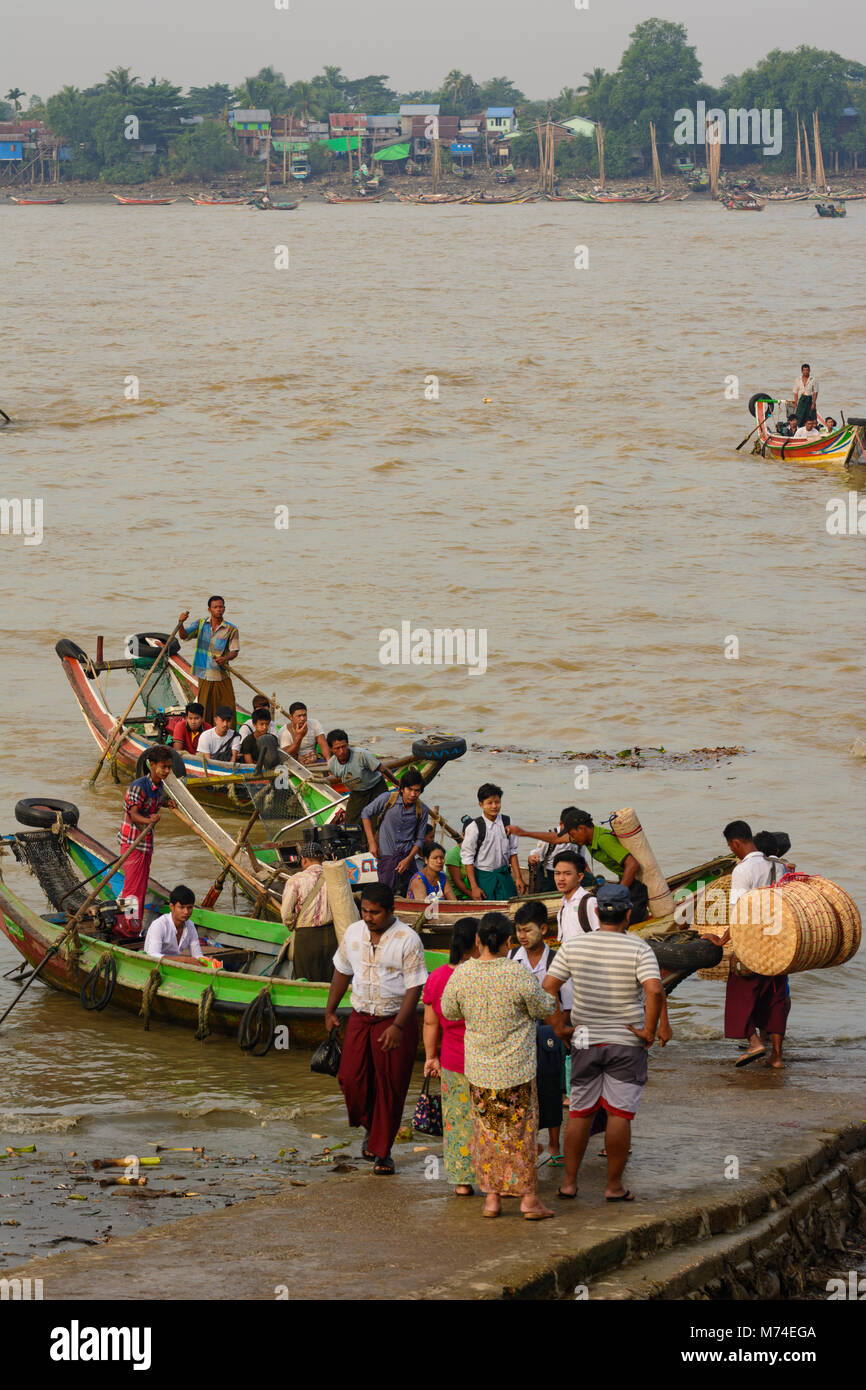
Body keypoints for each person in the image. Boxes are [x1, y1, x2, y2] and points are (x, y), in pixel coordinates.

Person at [543, 883, 664, 1203]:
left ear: (596, 912)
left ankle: (569, 1183)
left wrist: (559, 1025)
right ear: (628, 914)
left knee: (580, 1112)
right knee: (619, 1114)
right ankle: (613, 1187)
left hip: (584, 1038)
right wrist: (648, 1031)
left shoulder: (574, 947)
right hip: (626, 1042)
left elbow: (548, 986)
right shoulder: (639, 948)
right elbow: (654, 990)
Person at [441, 912, 556, 1220]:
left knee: (487, 1134)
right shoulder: (517, 974)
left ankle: (492, 1199)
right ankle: (528, 1200)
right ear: (509, 941)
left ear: (478, 940)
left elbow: (449, 1011)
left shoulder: (462, 974)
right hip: (516, 1069)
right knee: (521, 1134)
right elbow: (544, 1006)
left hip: (479, 1070)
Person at [325, 883, 428, 1176]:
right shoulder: (354, 932)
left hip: (394, 1020)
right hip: (360, 1015)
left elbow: (415, 987)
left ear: (391, 911)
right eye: (365, 911)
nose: (369, 917)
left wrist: (398, 1026)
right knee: (349, 1078)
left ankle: (383, 1153)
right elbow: (342, 970)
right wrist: (330, 1009)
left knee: (391, 1087)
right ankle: (373, 1128)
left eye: (375, 912)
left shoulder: (408, 940)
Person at [706, 820, 790, 1070]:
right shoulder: (779, 866)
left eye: (730, 846)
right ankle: (776, 1057)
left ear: (735, 843)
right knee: (776, 996)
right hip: (780, 941)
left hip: (753, 941)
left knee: (739, 994)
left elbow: (740, 913)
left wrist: (721, 940)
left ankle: (754, 1043)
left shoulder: (742, 870)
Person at [422, 917, 481, 1196]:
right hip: (488, 1059)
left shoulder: (438, 977)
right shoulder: (483, 974)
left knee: (457, 1120)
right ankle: (494, 1176)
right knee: (490, 1117)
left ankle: (462, 1181)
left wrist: (430, 1056)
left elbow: (430, 1023)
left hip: (453, 1059)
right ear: (478, 942)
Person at [510, 808, 648, 923]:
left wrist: (620, 891)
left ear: (581, 829)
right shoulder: (588, 838)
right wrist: (525, 833)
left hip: (636, 884)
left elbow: (632, 864)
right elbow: (557, 838)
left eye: (572, 834)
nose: (572, 839)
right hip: (627, 880)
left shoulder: (603, 840)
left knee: (623, 922)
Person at [512, 900, 564, 1162]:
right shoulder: (512, 958)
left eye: (527, 930)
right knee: (524, 1090)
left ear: (543, 929)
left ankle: (554, 1145)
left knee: (552, 1087)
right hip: (520, 1033)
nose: (522, 936)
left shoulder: (556, 959)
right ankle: (530, 1143)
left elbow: (567, 1003)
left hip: (549, 1031)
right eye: (519, 930)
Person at [116, 746, 174, 938]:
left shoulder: (159, 787)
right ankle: (127, 924)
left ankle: (134, 923)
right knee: (132, 887)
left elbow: (155, 801)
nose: (166, 771)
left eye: (169, 767)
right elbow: (133, 814)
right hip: (133, 842)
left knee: (141, 885)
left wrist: (166, 803)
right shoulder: (139, 786)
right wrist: (149, 820)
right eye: (163, 767)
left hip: (146, 843)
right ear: (152, 765)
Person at [362, 771, 429, 895]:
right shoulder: (387, 799)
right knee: (385, 893)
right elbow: (365, 813)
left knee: (411, 892)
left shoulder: (422, 810)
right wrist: (371, 842)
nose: (413, 794)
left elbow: (420, 839)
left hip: (407, 857)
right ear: (402, 788)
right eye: (410, 789)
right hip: (387, 856)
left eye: (417, 791)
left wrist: (409, 859)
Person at [178, 597, 240, 723]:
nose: (219, 609)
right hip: (204, 674)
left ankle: (229, 735)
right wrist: (180, 623)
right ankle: (205, 733)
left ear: (224, 608)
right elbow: (184, 636)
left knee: (228, 707)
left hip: (221, 674)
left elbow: (235, 651)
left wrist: (225, 658)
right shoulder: (201, 624)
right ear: (209, 609)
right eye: (215, 607)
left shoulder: (231, 629)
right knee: (205, 708)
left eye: (221, 607)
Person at [460, 783, 526, 902]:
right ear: (481, 804)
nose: (494, 806)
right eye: (489, 803)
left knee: (512, 905)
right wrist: (474, 887)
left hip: (504, 874)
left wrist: (518, 877)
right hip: (484, 877)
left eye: (497, 802)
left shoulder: (508, 822)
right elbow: (467, 859)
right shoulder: (474, 827)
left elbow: (513, 852)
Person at [280, 842, 335, 981]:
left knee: (305, 981)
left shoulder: (296, 880)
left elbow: (286, 915)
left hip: (307, 937)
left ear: (303, 859)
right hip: (333, 936)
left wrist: (293, 926)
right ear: (322, 859)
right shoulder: (335, 877)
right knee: (329, 980)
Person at [326, 730, 389, 828]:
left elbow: (383, 769)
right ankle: (361, 843)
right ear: (331, 749)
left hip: (376, 788)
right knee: (351, 824)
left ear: (348, 744)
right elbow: (340, 777)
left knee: (377, 821)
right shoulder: (332, 764)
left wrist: (397, 783)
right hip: (357, 792)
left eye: (344, 746)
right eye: (337, 748)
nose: (342, 751)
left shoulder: (362, 754)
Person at [143, 885, 206, 964]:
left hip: (175, 965)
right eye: (181, 907)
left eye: (189, 907)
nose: (186, 912)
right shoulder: (159, 925)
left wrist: (207, 961)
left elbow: (197, 955)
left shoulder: (190, 926)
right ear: (172, 906)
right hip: (155, 967)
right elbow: (153, 955)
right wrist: (184, 960)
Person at [528, 807, 578, 893]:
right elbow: (536, 854)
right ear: (561, 824)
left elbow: (581, 859)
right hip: (549, 874)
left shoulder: (578, 838)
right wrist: (532, 858)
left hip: (569, 873)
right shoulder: (549, 837)